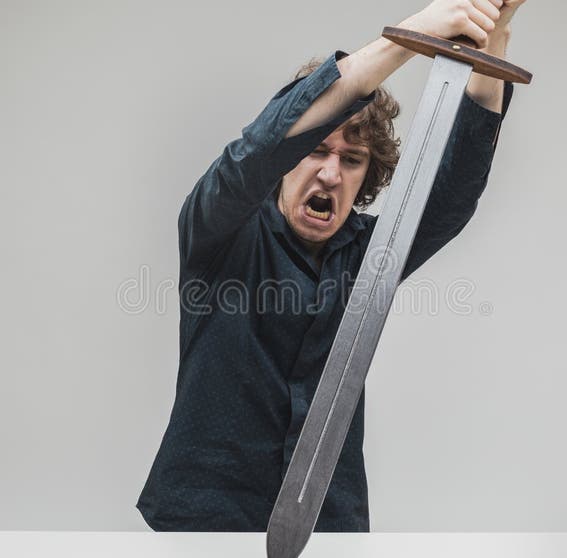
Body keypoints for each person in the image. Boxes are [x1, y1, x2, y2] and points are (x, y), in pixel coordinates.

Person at [138, 0, 527, 532]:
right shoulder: (221, 229)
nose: (329, 173)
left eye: (351, 159)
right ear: (287, 160)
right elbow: (257, 148)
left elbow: (453, 194)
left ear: (367, 175)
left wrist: (494, 37)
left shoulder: (374, 253)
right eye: (317, 150)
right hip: (202, 521)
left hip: (328, 528)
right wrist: (413, 35)